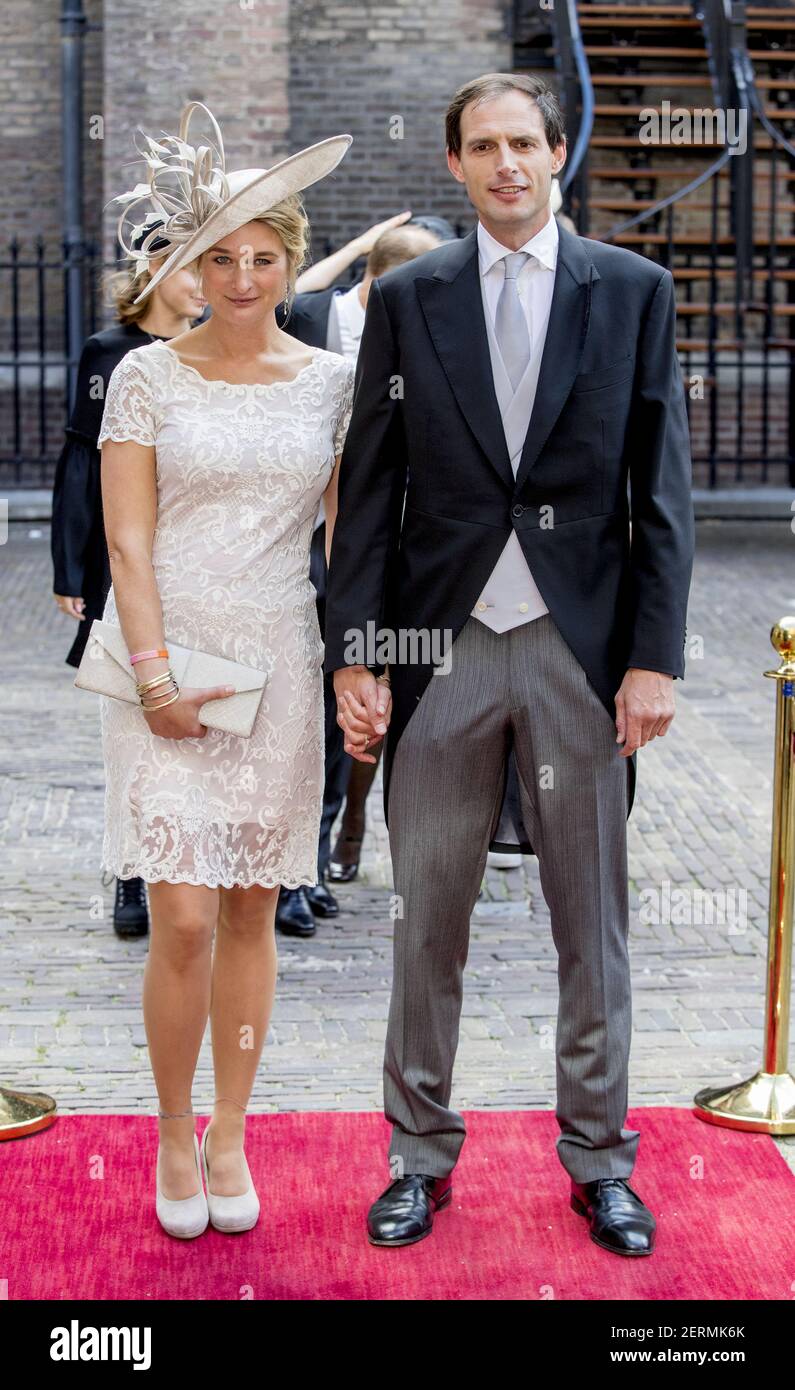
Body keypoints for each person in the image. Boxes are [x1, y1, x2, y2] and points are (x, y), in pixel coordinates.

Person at [324, 73, 694, 1255]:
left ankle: (601, 1161)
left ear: (559, 152)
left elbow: (664, 491)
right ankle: (418, 1157)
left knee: (593, 924)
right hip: (441, 648)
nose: (506, 166)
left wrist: (652, 661)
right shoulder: (413, 295)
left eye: (524, 143)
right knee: (425, 915)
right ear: (454, 165)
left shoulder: (634, 292)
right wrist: (363, 652)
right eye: (482, 147)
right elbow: (372, 490)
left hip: (579, 654)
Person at [96, 102, 355, 1239]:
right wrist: (154, 680)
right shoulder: (146, 378)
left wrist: (365, 668)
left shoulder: (333, 385)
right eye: (221, 257)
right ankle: (166, 1129)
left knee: (251, 914)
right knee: (183, 920)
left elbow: (351, 546)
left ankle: (235, 1129)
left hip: (279, 664)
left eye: (264, 257)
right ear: (191, 262)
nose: (243, 278)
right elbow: (127, 544)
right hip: (168, 655)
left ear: (292, 262)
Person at [274, 217, 445, 935]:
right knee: (295, 716)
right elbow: (275, 297)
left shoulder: (425, 334)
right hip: (294, 552)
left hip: (378, 556)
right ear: (382, 283)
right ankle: (293, 869)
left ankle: (325, 856)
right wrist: (351, 249)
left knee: (355, 708)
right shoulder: (312, 318)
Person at [51, 223, 207, 937]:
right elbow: (82, 464)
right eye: (193, 270)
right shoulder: (108, 354)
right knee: (133, 722)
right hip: (126, 561)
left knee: (195, 720)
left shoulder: (210, 353)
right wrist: (68, 566)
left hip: (199, 561)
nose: (208, 285)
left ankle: (188, 863)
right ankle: (131, 874)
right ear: (151, 272)